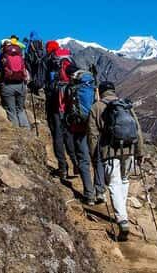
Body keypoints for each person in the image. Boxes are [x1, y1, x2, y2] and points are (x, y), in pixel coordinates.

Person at [88, 81, 144, 241]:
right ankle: (122, 212)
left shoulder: (96, 107)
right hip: (129, 151)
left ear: (102, 92)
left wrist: (94, 155)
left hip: (109, 153)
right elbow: (138, 130)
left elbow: (92, 135)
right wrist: (140, 152)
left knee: (113, 184)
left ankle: (122, 220)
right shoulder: (125, 105)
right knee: (124, 181)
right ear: (113, 91)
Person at [66, 69, 104, 206]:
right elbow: (99, 105)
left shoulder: (72, 89)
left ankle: (89, 195)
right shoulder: (94, 88)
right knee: (98, 159)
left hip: (79, 129)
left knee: (84, 161)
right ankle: (100, 191)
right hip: (94, 129)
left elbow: (67, 108)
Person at [43, 40, 78, 180]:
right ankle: (76, 163)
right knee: (69, 133)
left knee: (57, 135)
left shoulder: (49, 60)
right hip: (69, 101)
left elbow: (42, 81)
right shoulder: (69, 57)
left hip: (55, 103)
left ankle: (63, 168)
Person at [0, 39, 30, 128]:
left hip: (7, 86)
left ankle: (17, 134)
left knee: (11, 111)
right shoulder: (19, 55)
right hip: (21, 85)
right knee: (20, 110)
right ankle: (27, 131)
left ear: (1, 47)